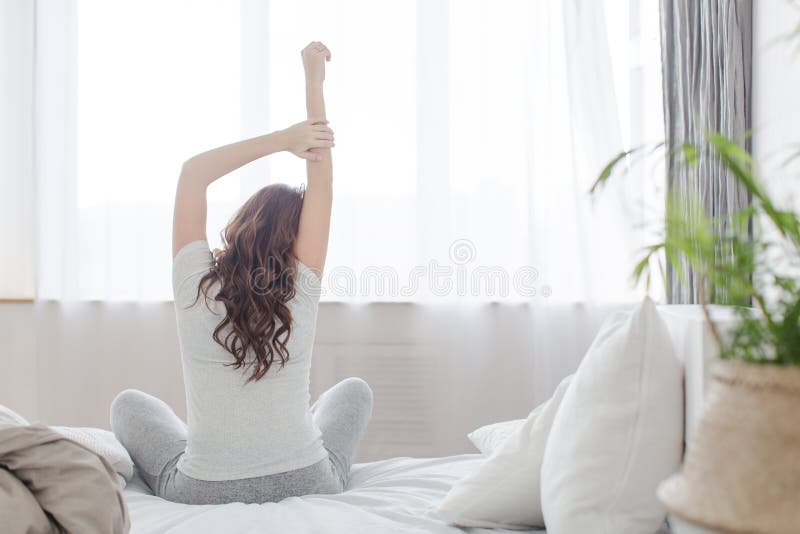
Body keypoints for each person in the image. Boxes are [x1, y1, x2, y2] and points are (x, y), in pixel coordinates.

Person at [110, 42, 373, 505]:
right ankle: (278, 438)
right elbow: (323, 182)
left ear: (243, 223)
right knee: (354, 392)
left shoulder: (194, 282)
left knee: (127, 404)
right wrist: (314, 82)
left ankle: (221, 444)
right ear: (296, 240)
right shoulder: (301, 284)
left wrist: (281, 140)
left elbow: (193, 173)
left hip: (202, 489)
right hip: (308, 479)